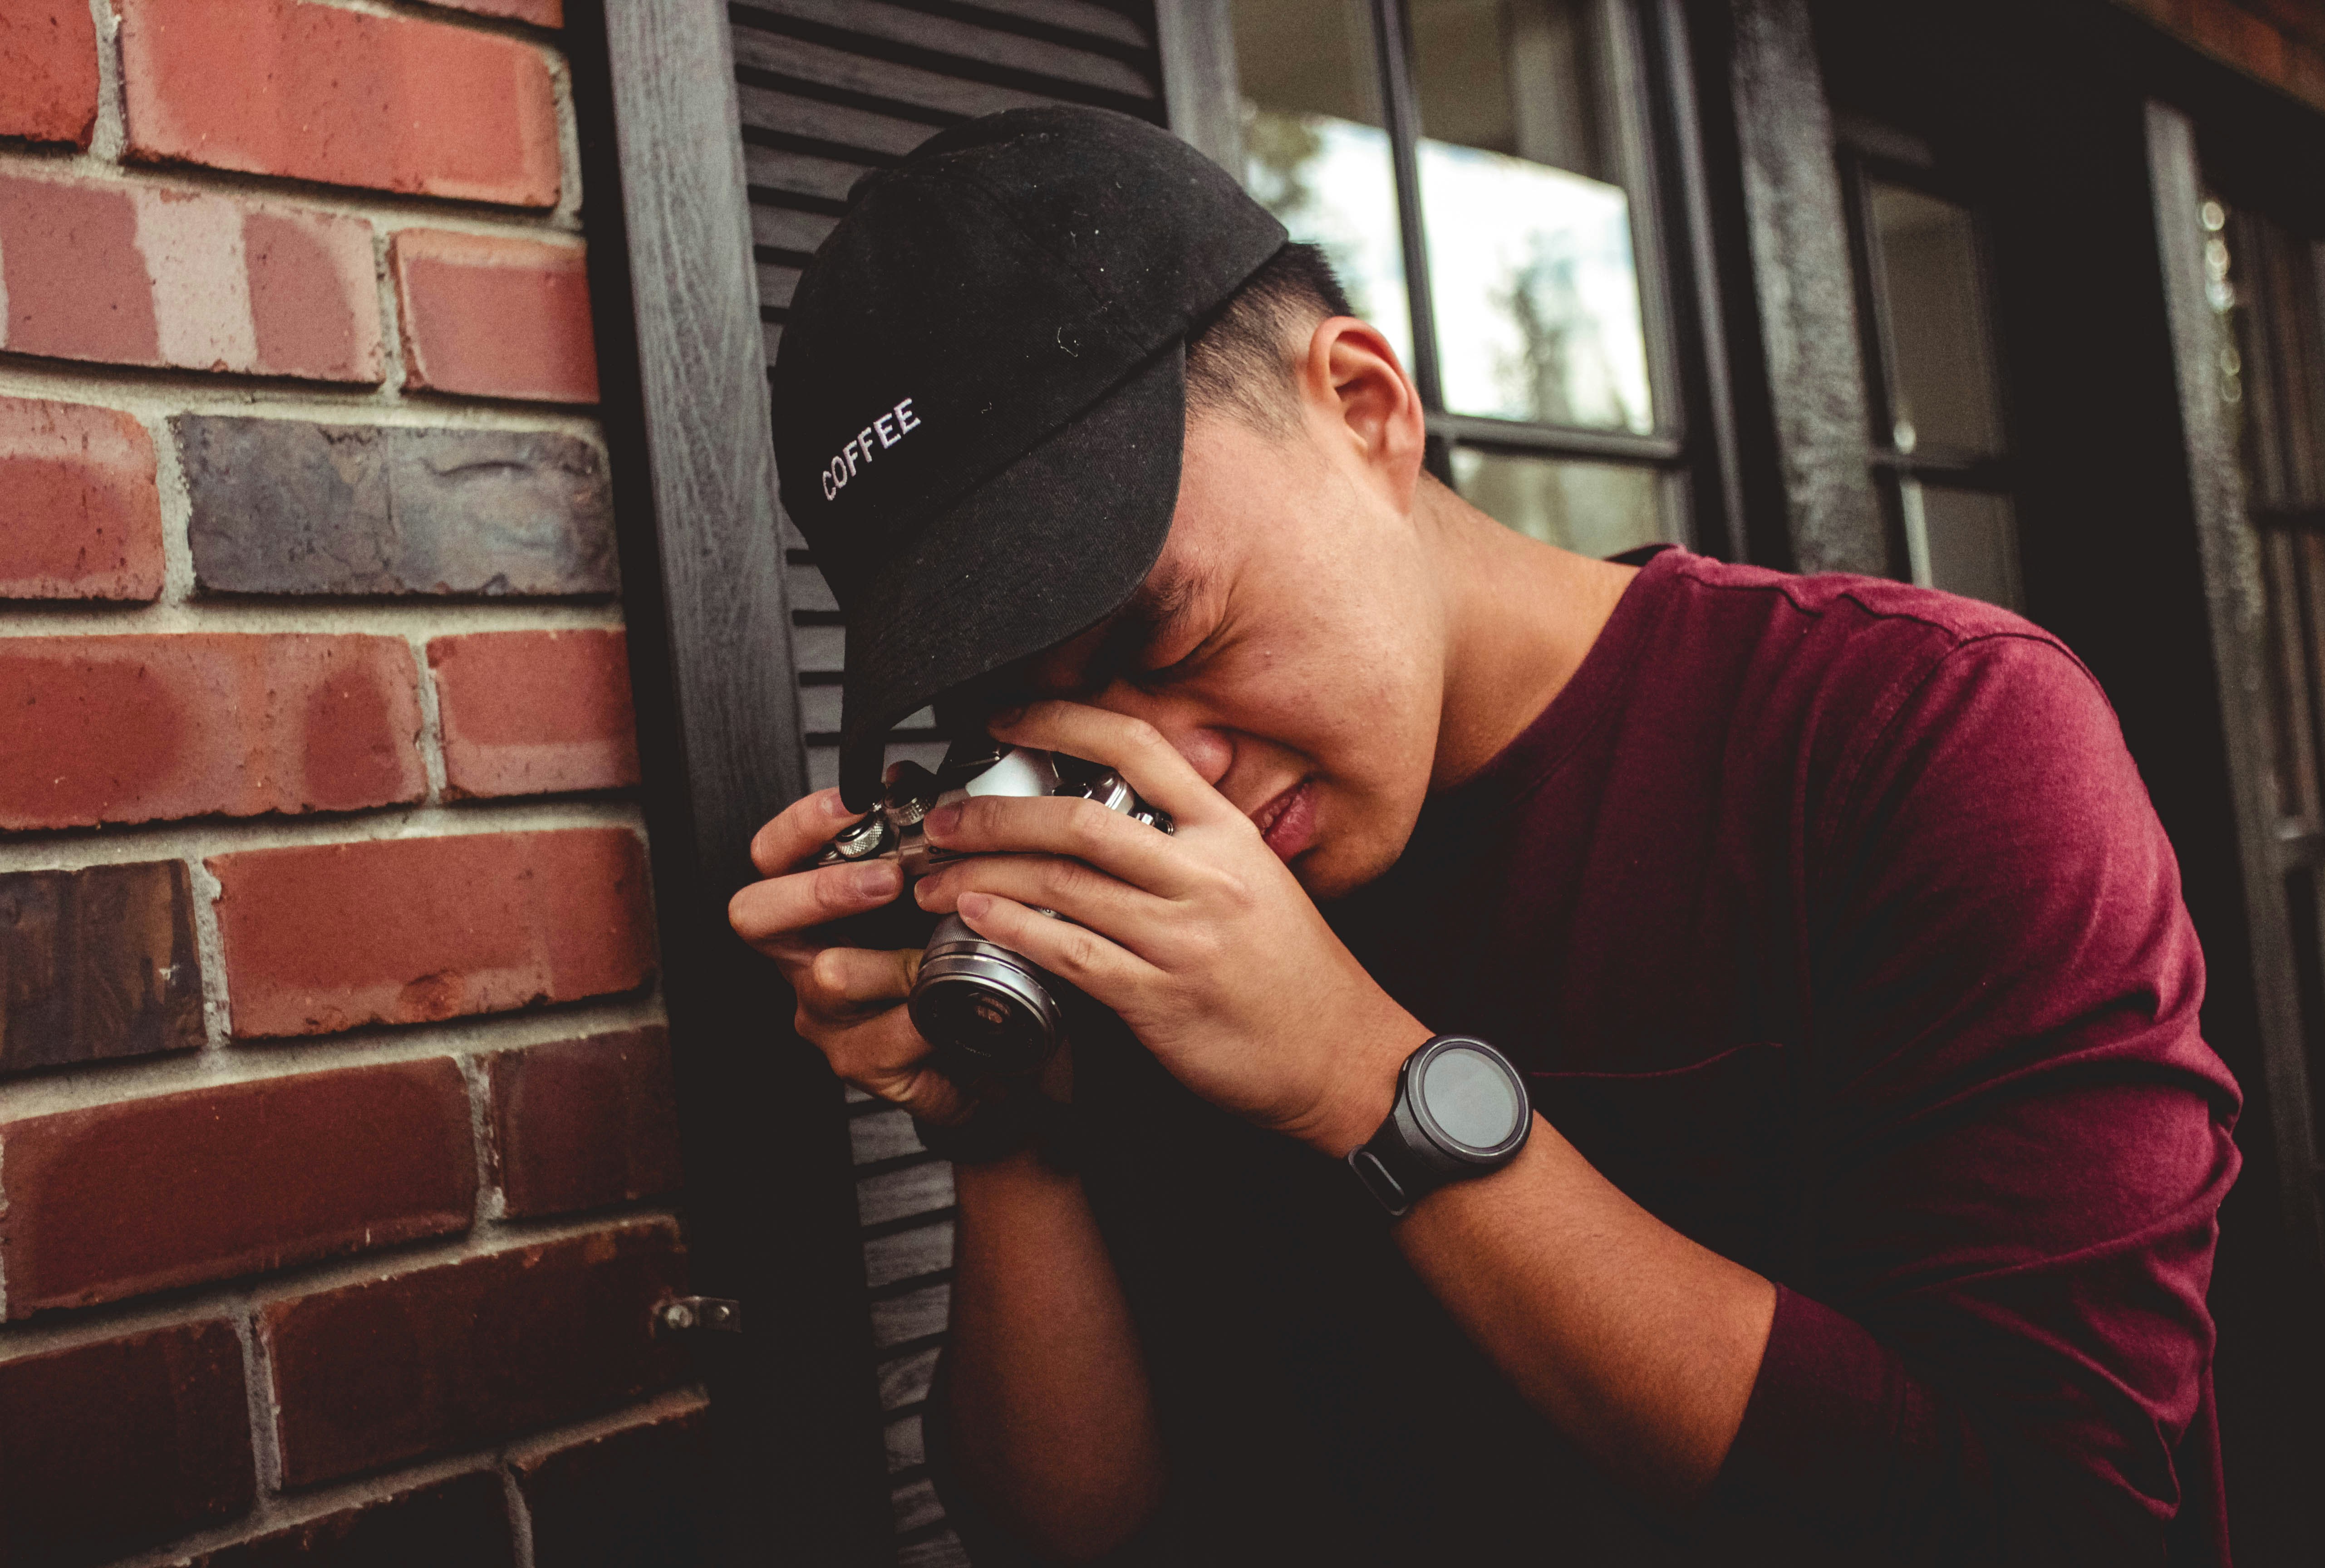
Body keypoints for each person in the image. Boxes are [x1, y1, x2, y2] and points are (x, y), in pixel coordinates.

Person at [729, 107, 2240, 1565]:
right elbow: (1073, 1534)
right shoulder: (1115, 875)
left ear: (1367, 410)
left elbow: (2047, 1518)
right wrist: (1011, 1143)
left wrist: (1358, 1077)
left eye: (1165, 632)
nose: (1157, 763)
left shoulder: (1920, 738)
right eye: (1035, 717)